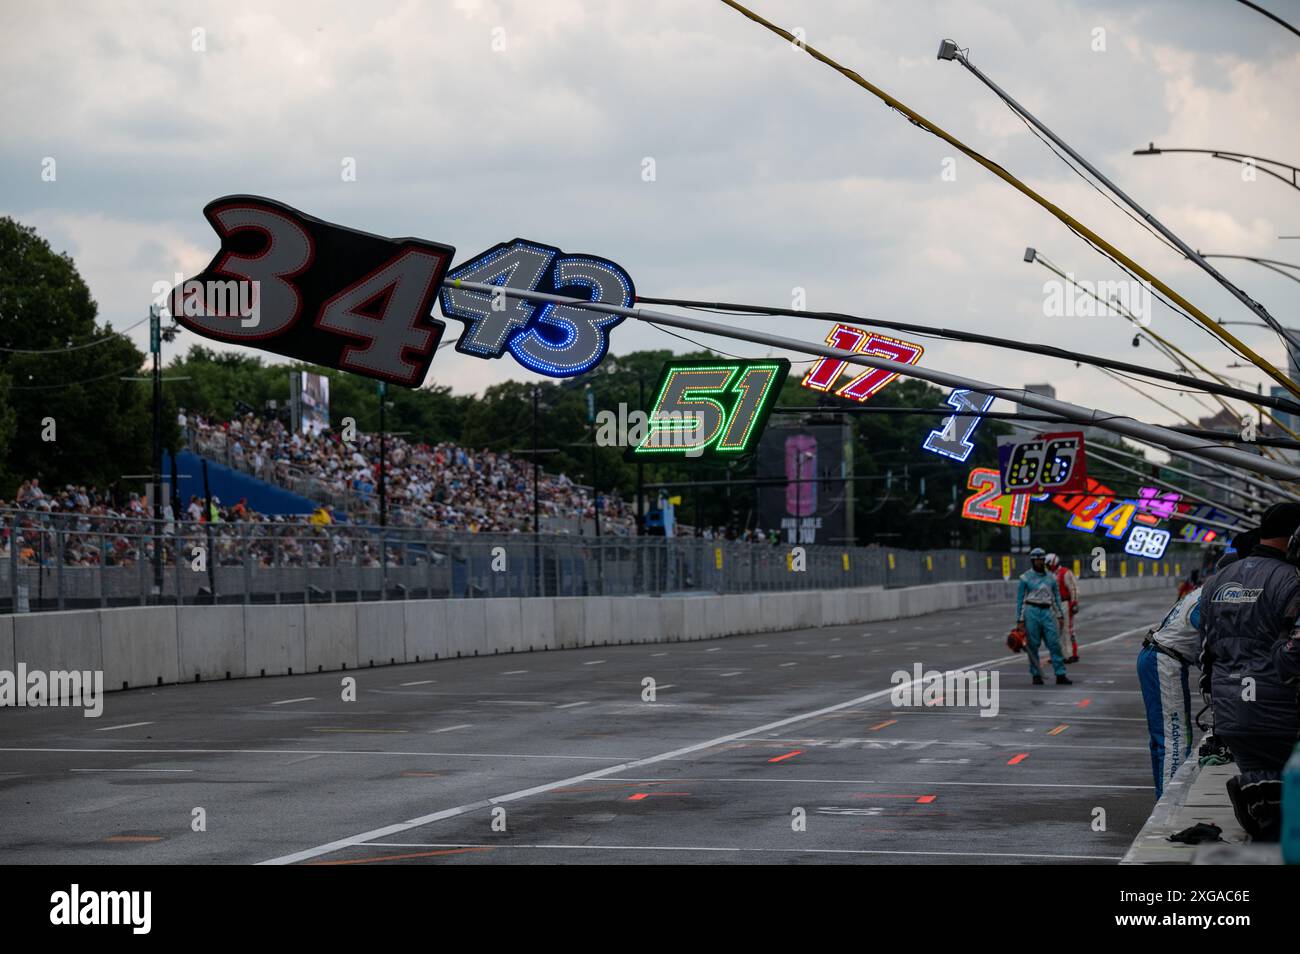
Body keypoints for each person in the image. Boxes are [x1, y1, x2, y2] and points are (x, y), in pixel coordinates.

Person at [1197, 503, 1300, 841]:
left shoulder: (1218, 579)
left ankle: (1254, 796)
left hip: (1231, 712)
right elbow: (1293, 654)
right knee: (1285, 806)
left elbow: (1207, 647)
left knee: (1271, 812)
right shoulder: (1292, 579)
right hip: (1279, 710)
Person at [1138, 537, 1252, 799]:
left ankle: (1161, 797)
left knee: (1162, 740)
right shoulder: (1217, 595)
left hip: (1157, 656)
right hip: (1164, 660)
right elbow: (1216, 644)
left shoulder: (1206, 589)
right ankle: (1168, 804)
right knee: (1174, 738)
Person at [1016, 547, 1070, 685]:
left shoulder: (1052, 578)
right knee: (1033, 645)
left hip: (1047, 611)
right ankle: (1036, 675)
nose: (1040, 562)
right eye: (1037, 560)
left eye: (1041, 559)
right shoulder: (1025, 578)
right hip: (1031, 610)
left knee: (1054, 643)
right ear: (1032, 561)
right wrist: (1020, 620)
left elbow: (1056, 597)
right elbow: (1020, 600)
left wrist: (1060, 615)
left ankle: (1060, 674)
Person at [1045, 553, 1081, 663]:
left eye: (1048, 564)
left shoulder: (1065, 572)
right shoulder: (1048, 575)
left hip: (1064, 603)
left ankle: (1069, 655)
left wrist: (1074, 602)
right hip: (1053, 604)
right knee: (1054, 631)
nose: (1046, 566)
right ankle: (1056, 655)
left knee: (1066, 629)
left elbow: (1073, 588)